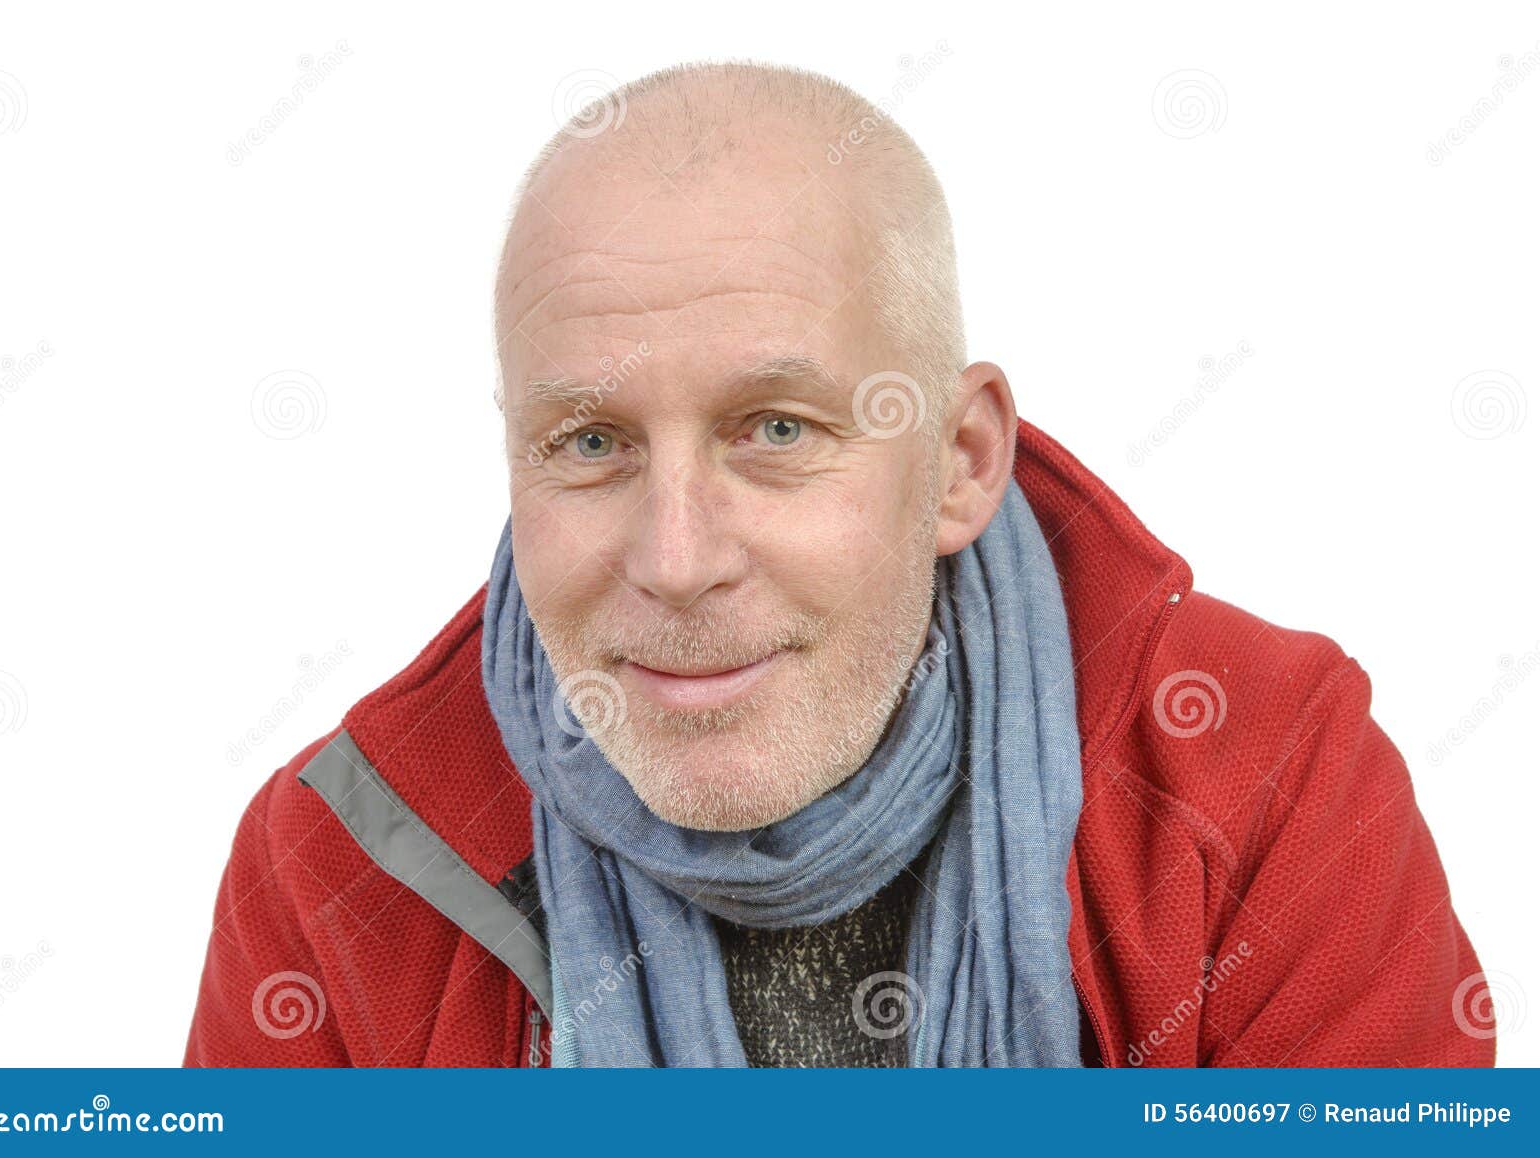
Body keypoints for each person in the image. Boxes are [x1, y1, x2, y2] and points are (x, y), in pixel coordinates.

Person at [185, 61, 1493, 1068]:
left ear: (960, 461)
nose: (677, 557)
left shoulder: (1259, 771)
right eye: (591, 441)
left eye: (777, 429)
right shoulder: (338, 863)